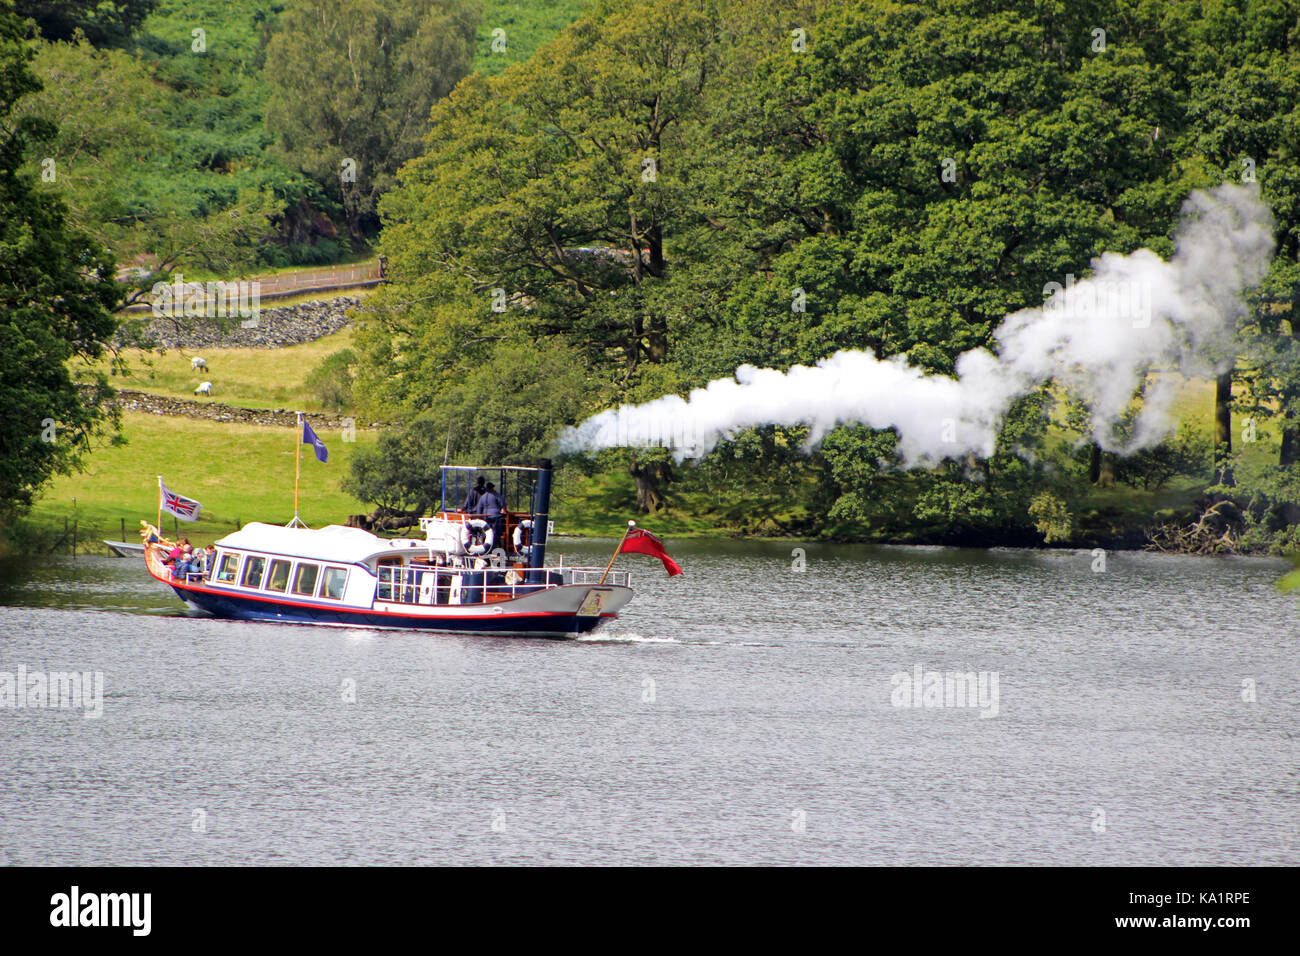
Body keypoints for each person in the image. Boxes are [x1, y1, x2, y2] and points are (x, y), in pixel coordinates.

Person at [476, 481, 506, 550]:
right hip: (495, 516)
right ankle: (494, 546)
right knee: (496, 532)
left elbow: (479, 508)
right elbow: (502, 504)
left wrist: (479, 517)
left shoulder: (483, 497)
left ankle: (486, 546)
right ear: (492, 488)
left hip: (486, 516)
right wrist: (503, 509)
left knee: (487, 531)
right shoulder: (496, 495)